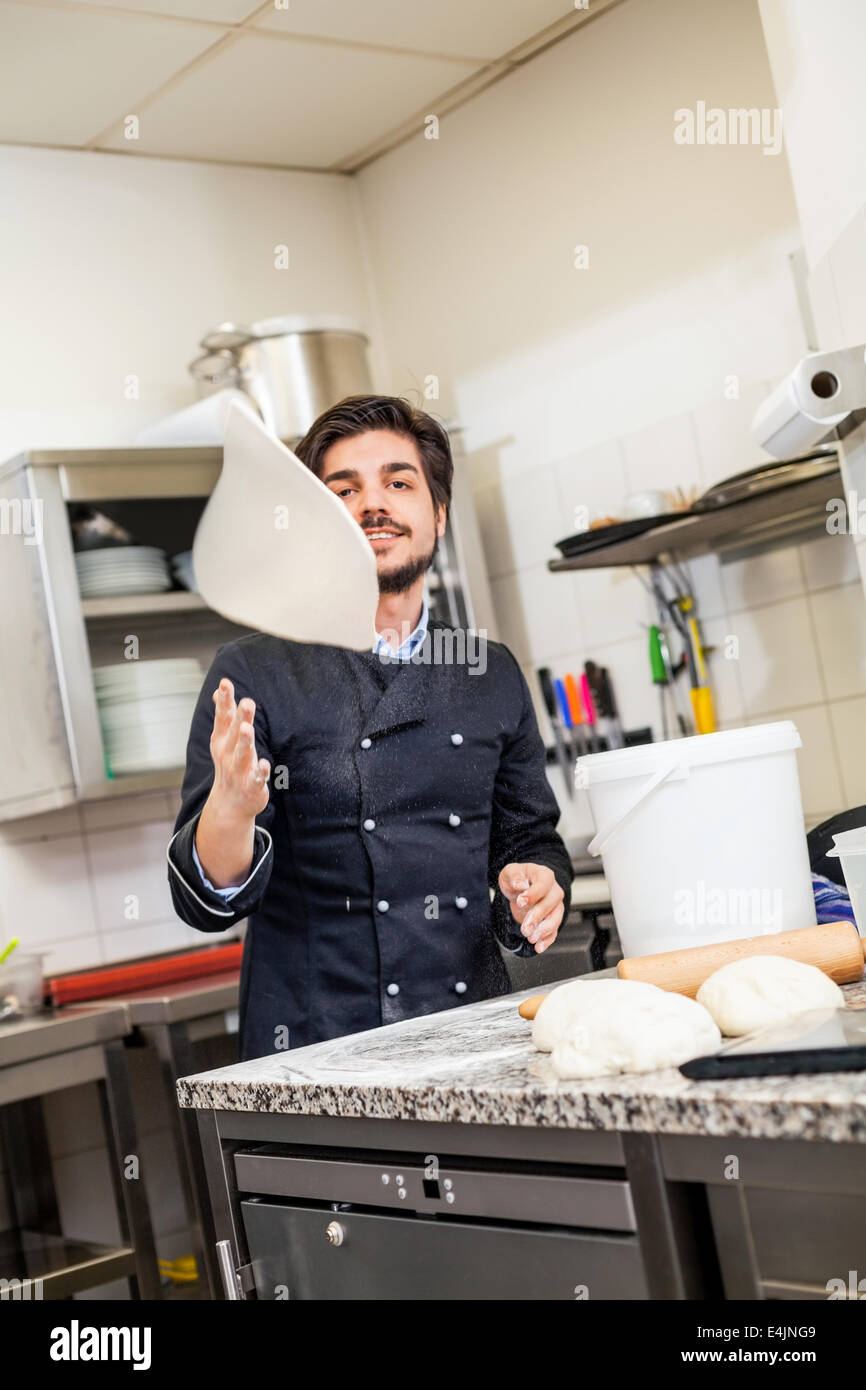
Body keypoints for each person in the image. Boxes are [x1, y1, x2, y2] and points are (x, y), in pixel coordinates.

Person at [167, 395, 573, 1060]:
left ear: (437, 515)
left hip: (473, 1037)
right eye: (344, 490)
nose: (373, 505)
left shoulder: (488, 671)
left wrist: (534, 886)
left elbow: (529, 838)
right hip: (314, 1048)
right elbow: (206, 902)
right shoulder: (254, 670)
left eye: (398, 482)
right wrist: (232, 812)